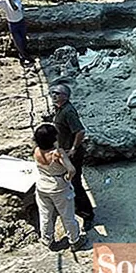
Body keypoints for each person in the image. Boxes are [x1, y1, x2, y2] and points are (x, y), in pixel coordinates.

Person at [33, 123, 87, 251]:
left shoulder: (36, 151)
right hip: (58, 188)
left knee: (45, 214)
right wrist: (67, 178)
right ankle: (75, 240)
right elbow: (72, 170)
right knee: (67, 216)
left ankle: (47, 240)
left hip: (42, 186)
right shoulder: (57, 153)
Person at [50, 84, 95, 230]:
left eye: (57, 93)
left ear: (65, 96)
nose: (53, 95)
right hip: (64, 152)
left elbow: (80, 131)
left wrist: (74, 148)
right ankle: (76, 207)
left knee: (75, 183)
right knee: (68, 181)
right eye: (52, 93)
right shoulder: (60, 109)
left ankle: (87, 214)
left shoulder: (68, 111)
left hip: (71, 153)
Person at [0, 0, 34, 65]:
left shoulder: (17, 1)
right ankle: (24, 57)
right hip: (13, 24)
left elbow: (15, 8)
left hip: (21, 23)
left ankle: (24, 55)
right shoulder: (4, 1)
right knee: (18, 41)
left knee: (24, 40)